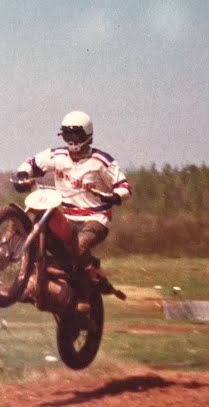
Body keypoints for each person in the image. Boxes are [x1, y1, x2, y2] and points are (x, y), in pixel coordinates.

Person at [12, 110, 131, 309]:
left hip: (95, 218)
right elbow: (32, 163)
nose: (72, 140)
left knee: (79, 246)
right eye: (68, 135)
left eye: (76, 134)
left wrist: (115, 195)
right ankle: (30, 276)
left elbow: (124, 185)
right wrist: (23, 175)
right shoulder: (57, 156)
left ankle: (83, 295)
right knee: (36, 225)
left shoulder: (102, 161)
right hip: (66, 216)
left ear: (87, 135)